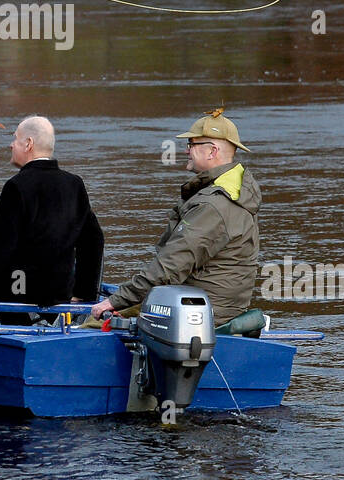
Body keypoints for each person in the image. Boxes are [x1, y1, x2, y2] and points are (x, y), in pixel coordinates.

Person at [89, 109, 260, 325]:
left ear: (212, 151)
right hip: (216, 305)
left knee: (95, 323)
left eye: (192, 144)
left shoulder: (212, 205)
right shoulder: (235, 190)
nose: (187, 151)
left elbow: (171, 266)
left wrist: (116, 301)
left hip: (200, 311)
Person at [0, 116, 104, 307]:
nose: (11, 145)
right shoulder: (74, 184)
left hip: (20, 293)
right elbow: (93, 240)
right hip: (62, 292)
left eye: (15, 138)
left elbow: (1, 250)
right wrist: (84, 292)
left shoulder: (16, 187)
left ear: (28, 144)